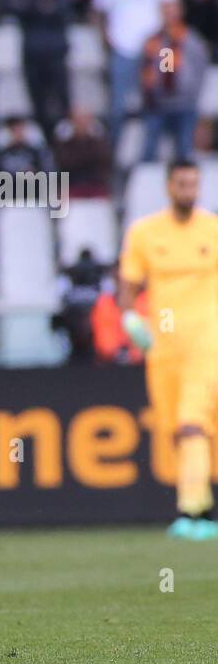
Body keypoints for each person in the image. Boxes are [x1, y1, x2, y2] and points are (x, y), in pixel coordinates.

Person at [119, 159, 218, 539]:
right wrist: (131, 321)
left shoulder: (212, 229)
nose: (188, 191)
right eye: (182, 184)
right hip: (163, 345)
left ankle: (196, 511)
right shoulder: (145, 233)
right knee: (174, 431)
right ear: (168, 187)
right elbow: (128, 289)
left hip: (206, 342)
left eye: (194, 184)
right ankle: (193, 509)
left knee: (192, 423)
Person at [92, 0, 176, 146]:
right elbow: (97, 11)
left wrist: (164, 35)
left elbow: (171, 4)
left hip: (151, 49)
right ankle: (112, 153)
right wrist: (105, 36)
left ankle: (150, 154)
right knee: (117, 106)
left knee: (154, 102)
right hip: (122, 48)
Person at [0, 0, 71, 137]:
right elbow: (10, 4)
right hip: (32, 52)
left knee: (62, 103)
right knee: (36, 104)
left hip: (56, 52)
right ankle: (44, 144)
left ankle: (63, 145)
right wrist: (39, 5)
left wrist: (32, 6)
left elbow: (61, 8)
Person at [140, 0, 209, 162]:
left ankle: (184, 183)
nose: (169, 14)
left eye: (172, 10)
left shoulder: (190, 39)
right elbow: (147, 70)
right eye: (165, 10)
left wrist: (191, 91)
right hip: (157, 103)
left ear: (180, 12)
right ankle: (146, 183)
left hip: (185, 103)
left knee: (184, 149)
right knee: (149, 149)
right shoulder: (154, 40)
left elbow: (200, 67)